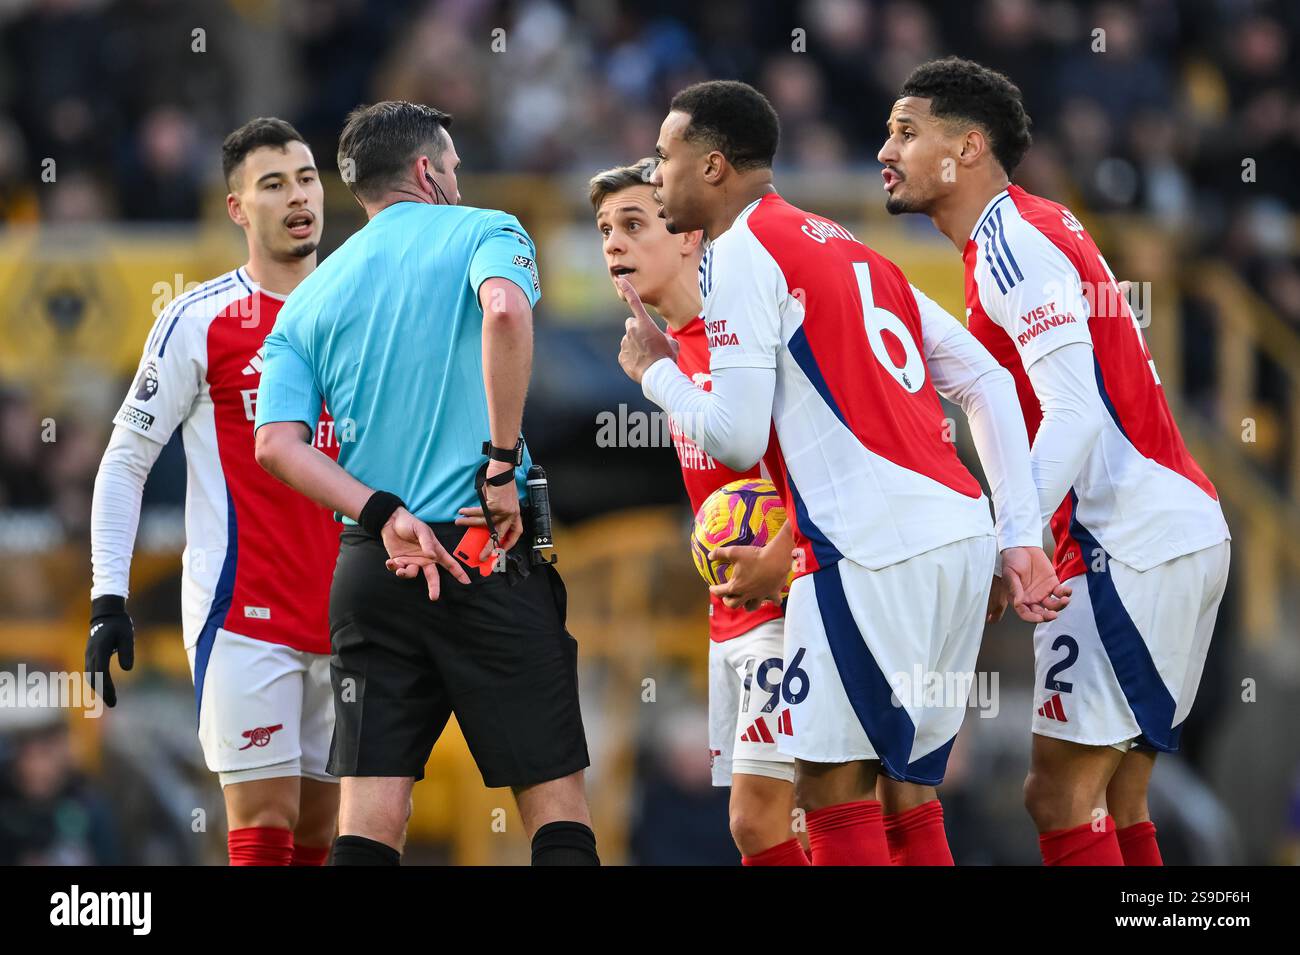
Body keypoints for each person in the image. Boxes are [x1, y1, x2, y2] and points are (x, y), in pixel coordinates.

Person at [619, 80, 1069, 865]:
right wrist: (1016, 533)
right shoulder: (853, 247)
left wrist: (656, 373)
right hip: (958, 535)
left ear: (714, 165)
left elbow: (732, 435)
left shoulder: (741, 253)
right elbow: (989, 382)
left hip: (869, 549)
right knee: (909, 798)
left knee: (831, 791)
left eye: (664, 158)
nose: (656, 177)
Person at [878, 56, 1231, 865]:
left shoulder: (1010, 240)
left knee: (1057, 794)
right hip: (1170, 527)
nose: (883, 151)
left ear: (967, 148)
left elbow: (1073, 409)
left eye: (906, 132)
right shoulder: (1036, 226)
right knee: (1115, 797)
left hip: (1124, 540)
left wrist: (1017, 538)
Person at [254, 101, 596, 866]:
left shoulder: (307, 297)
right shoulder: (484, 229)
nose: (459, 177)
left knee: (370, 818)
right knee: (555, 807)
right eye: (454, 164)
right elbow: (505, 310)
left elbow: (276, 444)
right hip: (486, 547)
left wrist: (382, 511)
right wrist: (500, 465)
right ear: (426, 171)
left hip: (377, 562)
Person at [87, 118, 341, 866]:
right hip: (244, 614)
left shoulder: (362, 311)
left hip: (352, 611)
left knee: (322, 835)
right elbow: (125, 460)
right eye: (273, 185)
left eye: (305, 178)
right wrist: (109, 596)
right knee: (264, 825)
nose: (297, 197)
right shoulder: (198, 320)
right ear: (237, 209)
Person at [590, 157, 805, 865]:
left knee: (793, 812)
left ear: (686, 233)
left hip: (800, 588)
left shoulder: (743, 327)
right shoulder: (666, 348)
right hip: (737, 602)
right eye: (603, 230)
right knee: (763, 822)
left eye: (632, 223)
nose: (613, 244)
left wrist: (785, 556)